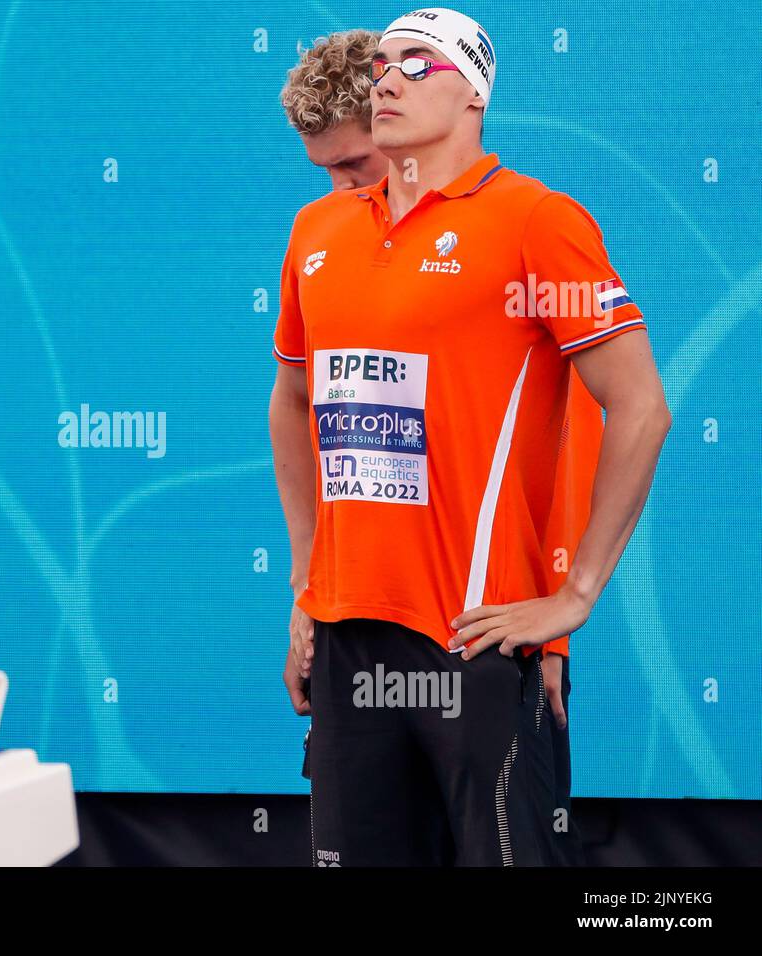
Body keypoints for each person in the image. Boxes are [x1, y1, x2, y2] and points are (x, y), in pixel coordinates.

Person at [269, 9, 669, 865]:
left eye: (416, 64)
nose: (388, 79)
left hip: (473, 636)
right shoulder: (318, 233)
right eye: (380, 65)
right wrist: (307, 585)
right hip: (348, 634)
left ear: (473, 89)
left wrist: (568, 607)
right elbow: (298, 402)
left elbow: (627, 411)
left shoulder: (535, 221)